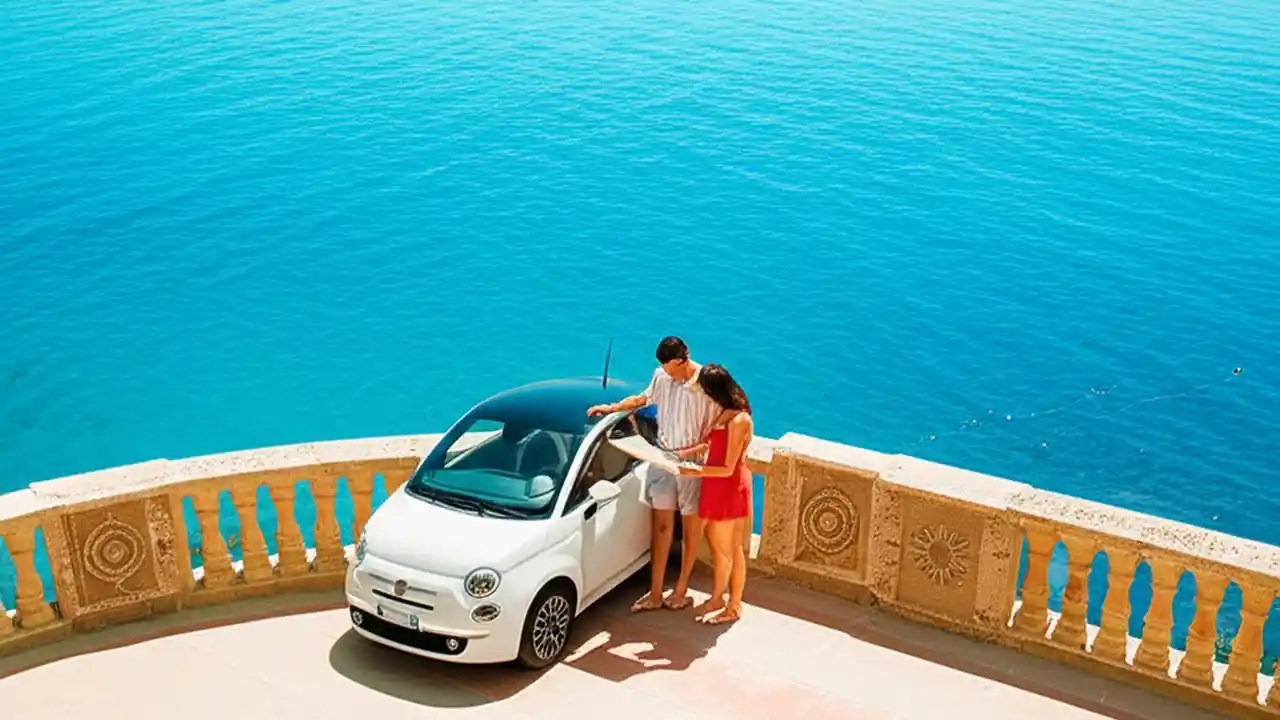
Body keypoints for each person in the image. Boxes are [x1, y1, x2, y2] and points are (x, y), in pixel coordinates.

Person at [587, 336, 719, 612]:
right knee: (660, 527)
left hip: (692, 464)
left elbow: (719, 426)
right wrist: (611, 408)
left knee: (692, 529)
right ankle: (656, 593)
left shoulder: (706, 383)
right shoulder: (661, 376)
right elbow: (644, 398)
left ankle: (681, 589)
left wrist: (698, 451)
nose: (664, 370)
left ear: (682, 360)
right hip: (663, 457)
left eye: (668, 365)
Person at [677, 363, 753, 625]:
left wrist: (695, 472)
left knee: (728, 548)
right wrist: (688, 452)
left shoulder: (739, 419)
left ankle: (734, 604)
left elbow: (728, 468)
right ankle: (718, 596)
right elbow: (712, 444)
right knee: (716, 543)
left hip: (727, 486)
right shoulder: (725, 413)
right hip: (713, 482)